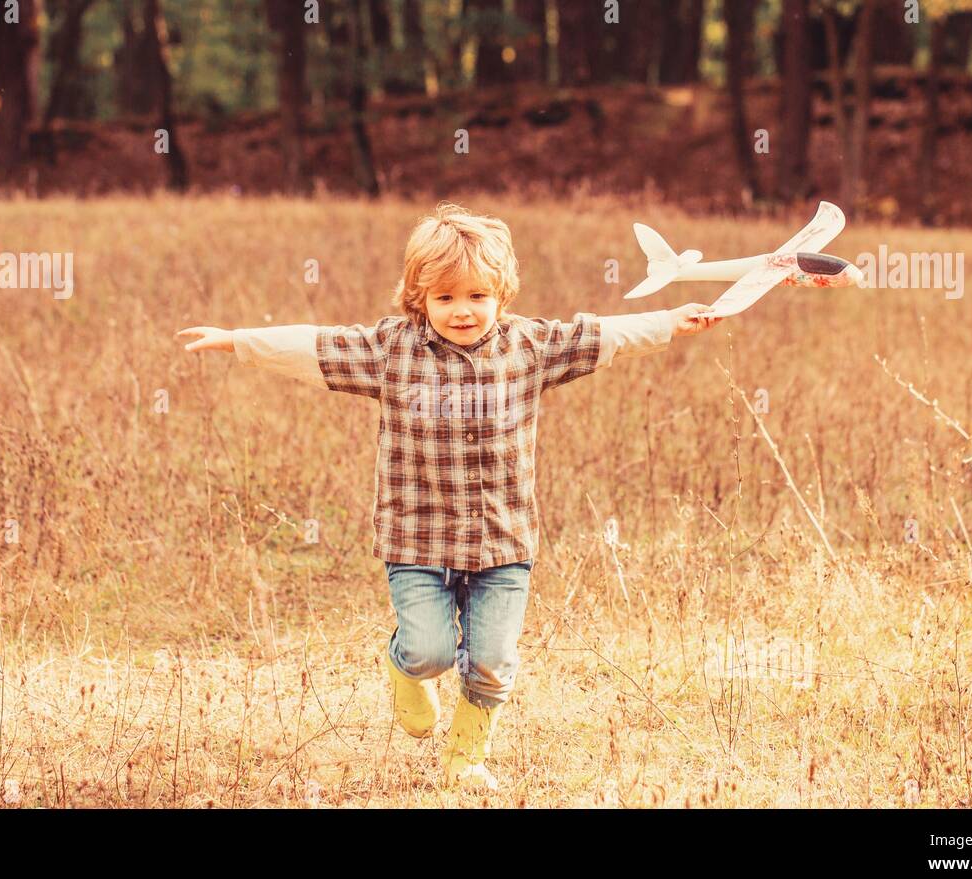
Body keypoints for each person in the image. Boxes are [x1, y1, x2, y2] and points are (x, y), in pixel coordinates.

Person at [176, 201, 721, 792]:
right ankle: (405, 668)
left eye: (477, 297)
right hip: (417, 539)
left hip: (503, 540)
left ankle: (466, 759)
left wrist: (672, 319)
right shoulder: (392, 350)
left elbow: (605, 334)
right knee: (430, 653)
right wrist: (236, 340)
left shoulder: (529, 346)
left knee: (491, 663)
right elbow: (314, 346)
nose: (463, 311)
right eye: (445, 298)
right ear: (419, 298)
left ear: (502, 295)